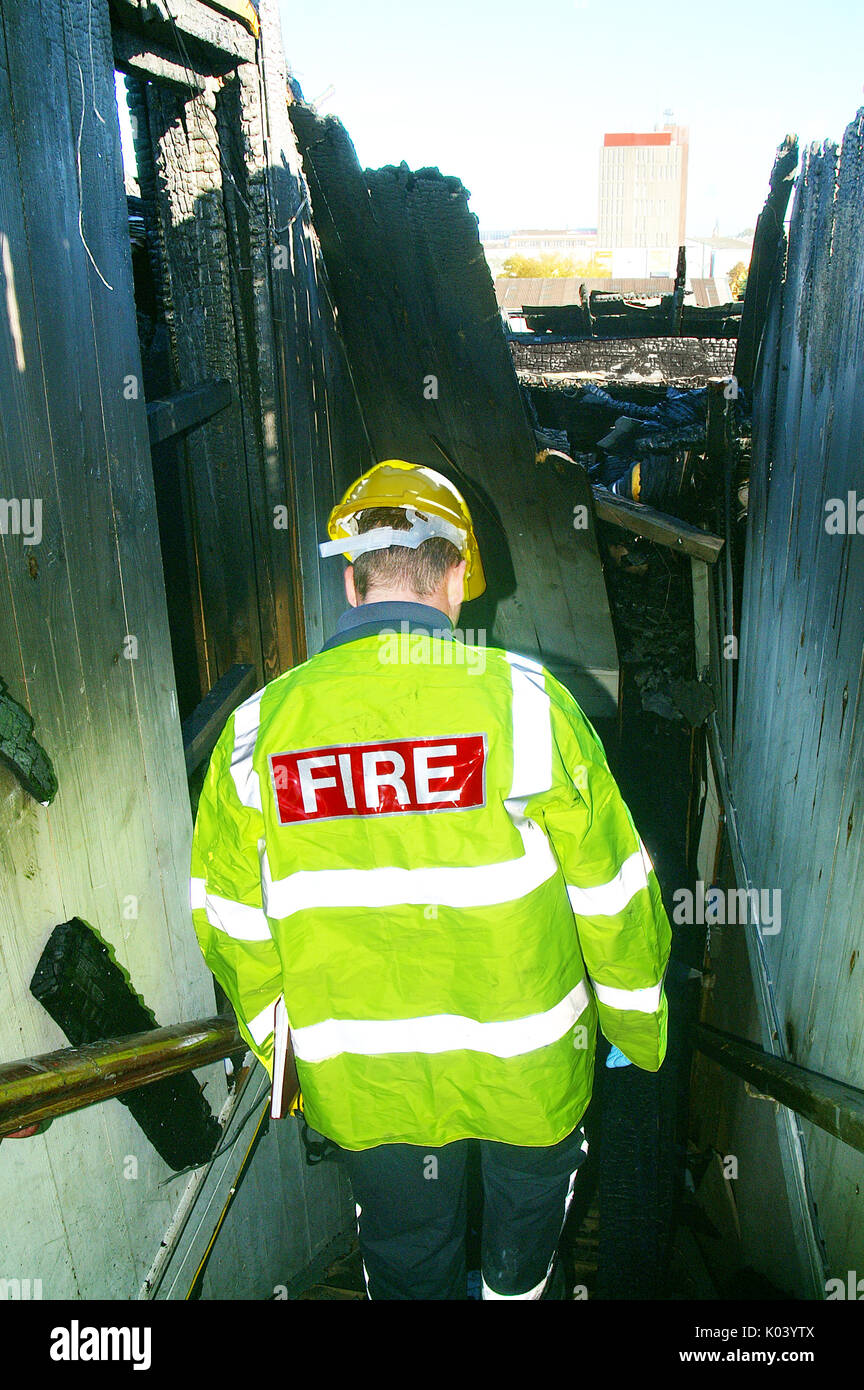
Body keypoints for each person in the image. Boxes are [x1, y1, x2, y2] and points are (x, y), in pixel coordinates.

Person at [191, 458, 671, 1300]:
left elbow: (229, 922)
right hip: (528, 1071)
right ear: (456, 579)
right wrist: (636, 1021)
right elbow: (614, 889)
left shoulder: (254, 735)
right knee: (524, 1276)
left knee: (408, 1272)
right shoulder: (528, 703)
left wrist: (290, 1055)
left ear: (352, 583)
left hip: (372, 1085)